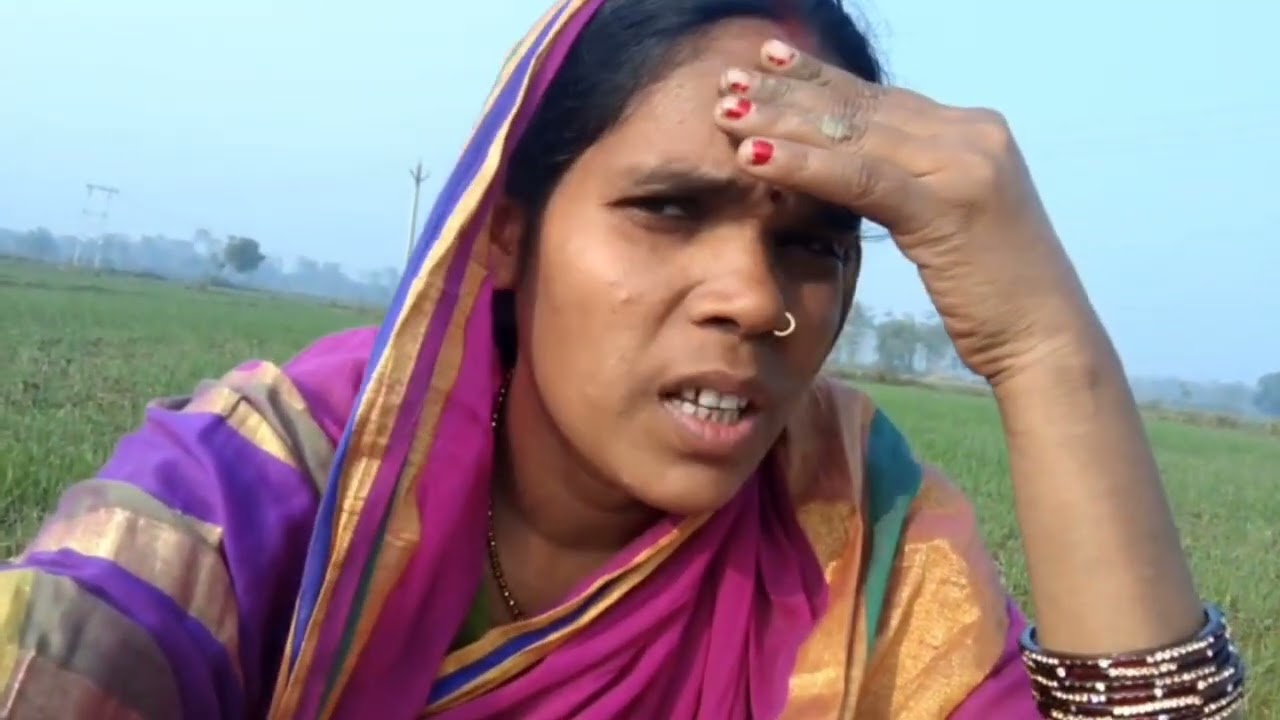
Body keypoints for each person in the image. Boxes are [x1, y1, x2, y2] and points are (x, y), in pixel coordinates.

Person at [0, 0, 1247, 718]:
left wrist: (1041, 349)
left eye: (813, 243)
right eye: (668, 209)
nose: (755, 301)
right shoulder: (260, 496)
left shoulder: (857, 532)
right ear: (503, 230)